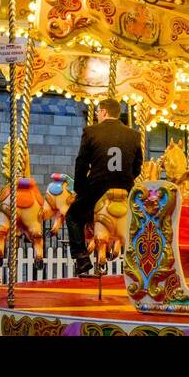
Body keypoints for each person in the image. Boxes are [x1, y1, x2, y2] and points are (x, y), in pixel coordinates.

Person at [67, 98, 143, 276]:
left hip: (97, 188)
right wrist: (126, 180)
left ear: (103, 112)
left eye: (97, 113)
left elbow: (82, 163)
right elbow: (138, 166)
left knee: (73, 216)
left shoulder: (91, 131)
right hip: (125, 190)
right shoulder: (134, 135)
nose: (96, 116)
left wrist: (81, 188)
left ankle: (82, 258)